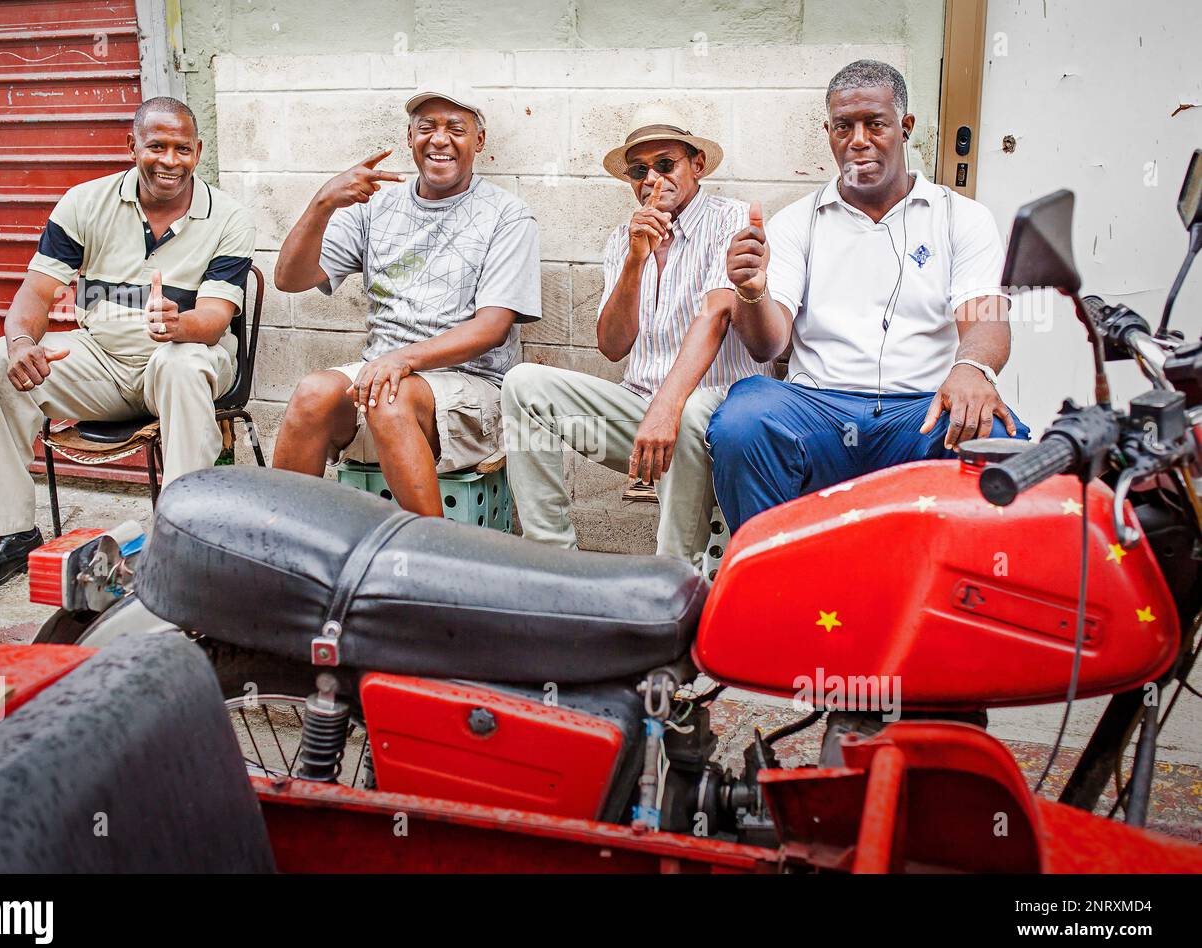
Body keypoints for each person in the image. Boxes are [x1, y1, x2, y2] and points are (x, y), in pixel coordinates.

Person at [0, 97, 255, 593]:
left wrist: (178, 323)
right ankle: (11, 536)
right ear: (131, 146)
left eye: (182, 149)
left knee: (181, 362)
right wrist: (22, 340)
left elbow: (215, 322)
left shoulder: (228, 217)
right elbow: (36, 291)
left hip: (182, 361)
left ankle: (184, 544)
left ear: (198, 152)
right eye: (156, 146)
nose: (169, 160)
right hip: (102, 362)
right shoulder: (85, 202)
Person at [707, 59, 1029, 533]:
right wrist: (752, 294)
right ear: (829, 132)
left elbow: (985, 318)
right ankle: (772, 580)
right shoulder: (797, 222)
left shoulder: (962, 217)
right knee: (744, 417)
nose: (858, 139)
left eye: (874, 124)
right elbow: (768, 346)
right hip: (819, 411)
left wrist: (971, 368)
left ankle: (955, 593)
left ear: (906, 128)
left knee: (995, 434)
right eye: (843, 127)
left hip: (920, 412)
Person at [503, 106, 771, 567]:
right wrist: (634, 260)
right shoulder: (623, 240)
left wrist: (666, 410)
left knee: (689, 412)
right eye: (639, 170)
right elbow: (612, 346)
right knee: (523, 385)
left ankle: (671, 576)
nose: (652, 179)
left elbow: (718, 316)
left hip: (717, 415)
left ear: (697, 166)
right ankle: (552, 562)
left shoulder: (729, 221)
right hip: (640, 418)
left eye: (665, 165)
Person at [271, 85, 541, 515]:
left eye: (456, 128)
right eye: (426, 127)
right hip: (384, 384)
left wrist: (404, 360)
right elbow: (289, 279)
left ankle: (431, 557)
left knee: (390, 400)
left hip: (471, 393)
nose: (439, 139)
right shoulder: (374, 205)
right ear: (410, 137)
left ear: (479, 141)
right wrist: (323, 202)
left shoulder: (507, 215)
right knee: (312, 393)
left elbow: (491, 328)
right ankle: (286, 548)